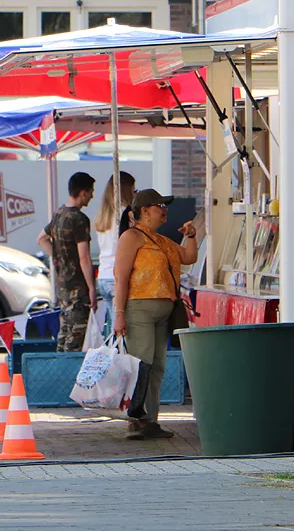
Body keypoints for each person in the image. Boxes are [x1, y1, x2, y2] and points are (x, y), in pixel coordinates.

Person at [112, 189, 198, 440]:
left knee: (157, 367)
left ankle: (151, 419)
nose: (165, 209)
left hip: (164, 312)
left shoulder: (160, 240)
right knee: (142, 364)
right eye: (161, 205)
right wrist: (119, 313)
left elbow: (189, 257)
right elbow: (121, 278)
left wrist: (191, 236)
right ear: (145, 211)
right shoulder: (131, 237)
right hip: (139, 308)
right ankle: (137, 420)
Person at [37, 172, 97, 352]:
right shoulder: (79, 219)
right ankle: (71, 377)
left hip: (62, 286)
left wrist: (57, 258)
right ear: (83, 192)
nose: (92, 196)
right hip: (78, 287)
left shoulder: (59, 214)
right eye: (91, 191)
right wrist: (92, 288)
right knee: (76, 338)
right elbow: (84, 257)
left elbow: (41, 238)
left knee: (64, 334)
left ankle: (59, 374)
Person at [93, 171, 136, 337]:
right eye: (133, 189)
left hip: (103, 275)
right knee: (124, 330)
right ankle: (121, 362)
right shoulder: (125, 215)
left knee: (112, 328)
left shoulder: (103, 215)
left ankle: (114, 359)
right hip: (118, 276)